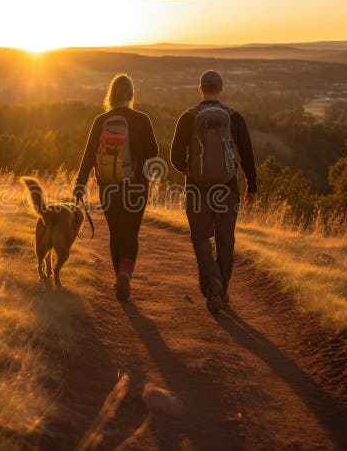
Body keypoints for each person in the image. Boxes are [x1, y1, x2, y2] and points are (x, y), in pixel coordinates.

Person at [170, 70, 257, 313]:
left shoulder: (187, 117)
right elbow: (247, 154)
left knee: (200, 237)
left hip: (197, 188)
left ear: (201, 89)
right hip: (227, 188)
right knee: (225, 238)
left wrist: (192, 171)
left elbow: (175, 157)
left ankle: (212, 283)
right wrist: (252, 185)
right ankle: (222, 288)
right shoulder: (234, 117)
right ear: (220, 89)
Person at [75, 73, 159, 301]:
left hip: (109, 186)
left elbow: (89, 156)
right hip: (136, 186)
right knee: (131, 232)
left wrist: (80, 185)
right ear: (131, 94)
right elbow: (154, 152)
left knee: (116, 233)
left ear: (111, 95)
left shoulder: (101, 121)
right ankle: (125, 272)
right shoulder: (142, 119)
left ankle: (117, 276)